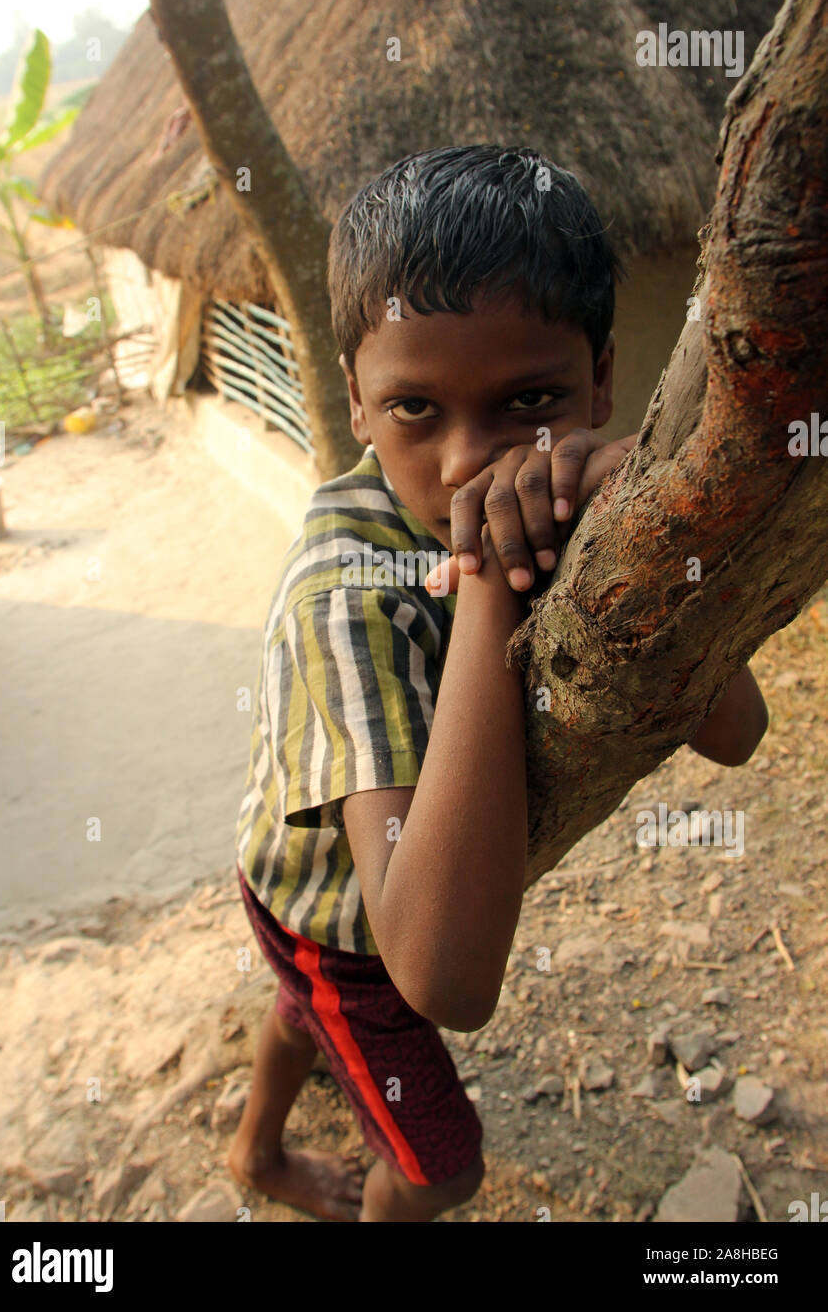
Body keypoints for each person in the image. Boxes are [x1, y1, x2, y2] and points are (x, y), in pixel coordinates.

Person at [226, 146, 769, 1222]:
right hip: (334, 912)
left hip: (342, 894)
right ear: (355, 400)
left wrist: (640, 524)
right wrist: (485, 580)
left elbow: (734, 728)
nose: (468, 458)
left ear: (602, 377)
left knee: (302, 1014)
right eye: (414, 410)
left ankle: (253, 1151)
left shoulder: (570, 497)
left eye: (527, 399)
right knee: (439, 1169)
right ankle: (268, 1160)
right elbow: (440, 977)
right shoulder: (349, 598)